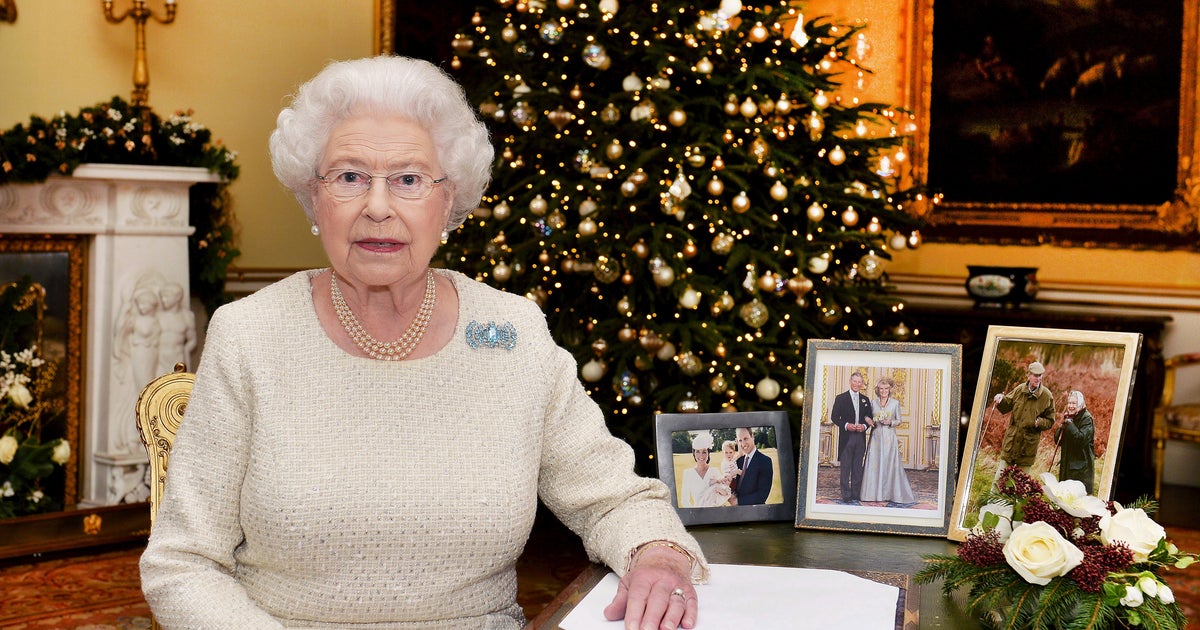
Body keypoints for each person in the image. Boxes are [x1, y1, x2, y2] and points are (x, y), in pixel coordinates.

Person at [139, 56, 708, 630]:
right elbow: (183, 563)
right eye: (349, 177)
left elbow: (616, 499)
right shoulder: (249, 336)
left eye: (408, 179)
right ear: (313, 198)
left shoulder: (511, 334)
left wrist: (657, 557)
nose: (378, 206)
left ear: (449, 201)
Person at [991, 360, 1056, 488]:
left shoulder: (1047, 396)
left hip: (1027, 447)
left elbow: (1050, 420)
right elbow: (1006, 406)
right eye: (1035, 375)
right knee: (999, 479)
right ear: (1028, 375)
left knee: (1020, 485)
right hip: (1011, 443)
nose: (1038, 378)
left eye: (1040, 375)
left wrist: (1039, 422)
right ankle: (992, 505)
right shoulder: (1019, 390)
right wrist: (1000, 399)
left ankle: (1015, 507)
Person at [859, 377, 917, 506]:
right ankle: (872, 494)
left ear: (890, 390)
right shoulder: (872, 403)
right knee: (874, 464)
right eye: (881, 389)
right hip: (876, 437)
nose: (883, 391)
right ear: (877, 390)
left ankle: (889, 493)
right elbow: (867, 416)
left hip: (889, 438)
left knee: (889, 464)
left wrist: (890, 422)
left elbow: (899, 420)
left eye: (886, 389)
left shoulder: (895, 403)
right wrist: (869, 419)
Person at [831, 371, 873, 504]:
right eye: (855, 381)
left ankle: (856, 493)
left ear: (862, 384)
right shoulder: (840, 398)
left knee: (857, 467)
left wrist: (865, 427)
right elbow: (834, 417)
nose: (857, 384)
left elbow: (869, 417)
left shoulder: (865, 400)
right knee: (845, 467)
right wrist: (846, 425)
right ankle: (846, 494)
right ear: (850, 381)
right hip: (846, 438)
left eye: (859, 382)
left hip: (860, 437)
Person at [1055, 390, 1096, 494]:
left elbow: (1080, 440)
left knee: (1076, 501)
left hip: (1081, 469)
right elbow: (1057, 441)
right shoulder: (1070, 418)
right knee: (1064, 497)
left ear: (1080, 404)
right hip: (1067, 465)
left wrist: (1070, 424)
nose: (1070, 406)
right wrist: (1062, 426)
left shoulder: (1087, 419)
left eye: (1074, 403)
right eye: (1069, 403)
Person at [679, 433, 732, 508]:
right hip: (698, 515)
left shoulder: (715, 471)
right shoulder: (688, 473)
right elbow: (684, 500)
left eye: (704, 452)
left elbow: (723, 495)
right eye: (697, 451)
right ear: (694, 453)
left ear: (708, 453)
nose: (701, 456)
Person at [733, 427, 773, 505]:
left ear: (752, 437)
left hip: (755, 512)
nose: (743, 443)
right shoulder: (739, 461)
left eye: (745, 438)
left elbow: (762, 495)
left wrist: (738, 501)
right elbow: (737, 487)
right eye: (740, 440)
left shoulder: (765, 461)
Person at [720, 439, 740, 506]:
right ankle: (722, 503)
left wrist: (739, 444)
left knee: (734, 498)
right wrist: (736, 471)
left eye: (730, 452)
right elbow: (728, 476)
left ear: (734, 452)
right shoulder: (724, 463)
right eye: (726, 452)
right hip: (728, 482)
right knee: (727, 493)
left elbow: (740, 454)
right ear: (723, 452)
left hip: (734, 482)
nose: (728, 454)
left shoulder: (733, 459)